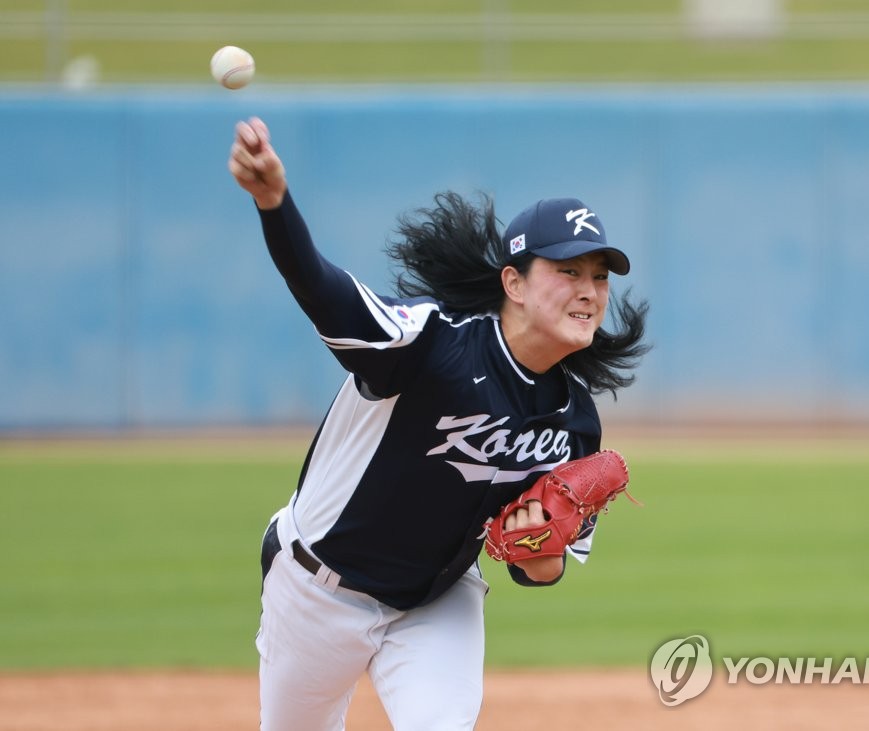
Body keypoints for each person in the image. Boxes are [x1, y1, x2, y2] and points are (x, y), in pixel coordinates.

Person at [228, 116, 649, 730]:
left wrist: (538, 544)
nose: (589, 291)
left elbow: (540, 568)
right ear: (515, 283)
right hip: (319, 590)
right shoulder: (429, 343)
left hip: (437, 600)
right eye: (568, 271)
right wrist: (274, 203)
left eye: (599, 277)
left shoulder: (575, 419)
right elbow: (321, 288)